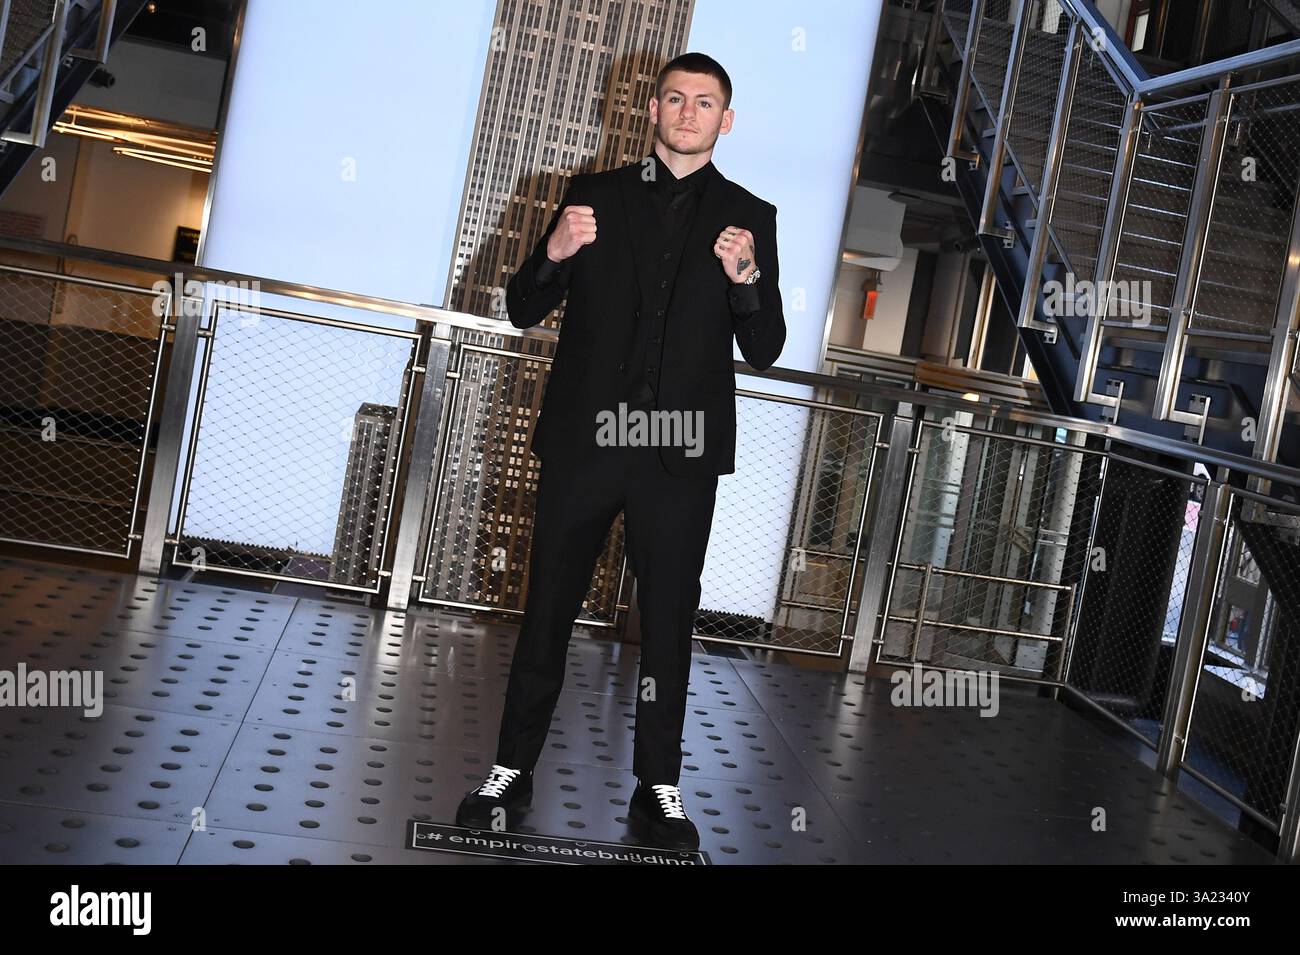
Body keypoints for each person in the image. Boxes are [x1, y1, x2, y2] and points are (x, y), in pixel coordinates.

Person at [456, 52, 786, 852]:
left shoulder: (751, 217)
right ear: (652, 109)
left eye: (704, 103)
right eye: (675, 98)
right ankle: (511, 768)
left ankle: (659, 785)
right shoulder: (594, 196)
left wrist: (745, 278)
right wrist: (555, 253)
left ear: (725, 120)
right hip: (589, 441)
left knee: (668, 621)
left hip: (677, 450)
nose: (687, 112)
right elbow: (520, 308)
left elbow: (767, 345)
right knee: (548, 607)